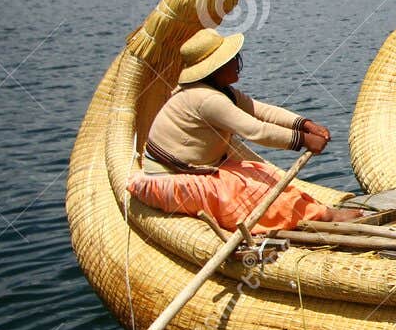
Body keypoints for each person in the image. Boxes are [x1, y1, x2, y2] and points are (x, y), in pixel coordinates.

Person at [127, 27, 359, 231]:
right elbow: (255, 130)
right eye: (232, 60)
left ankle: (313, 213)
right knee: (252, 190)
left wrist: (306, 124)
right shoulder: (206, 99)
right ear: (216, 68)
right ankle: (323, 216)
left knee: (262, 173)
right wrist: (303, 141)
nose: (238, 63)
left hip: (192, 172)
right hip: (172, 183)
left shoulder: (219, 91)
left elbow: (261, 110)